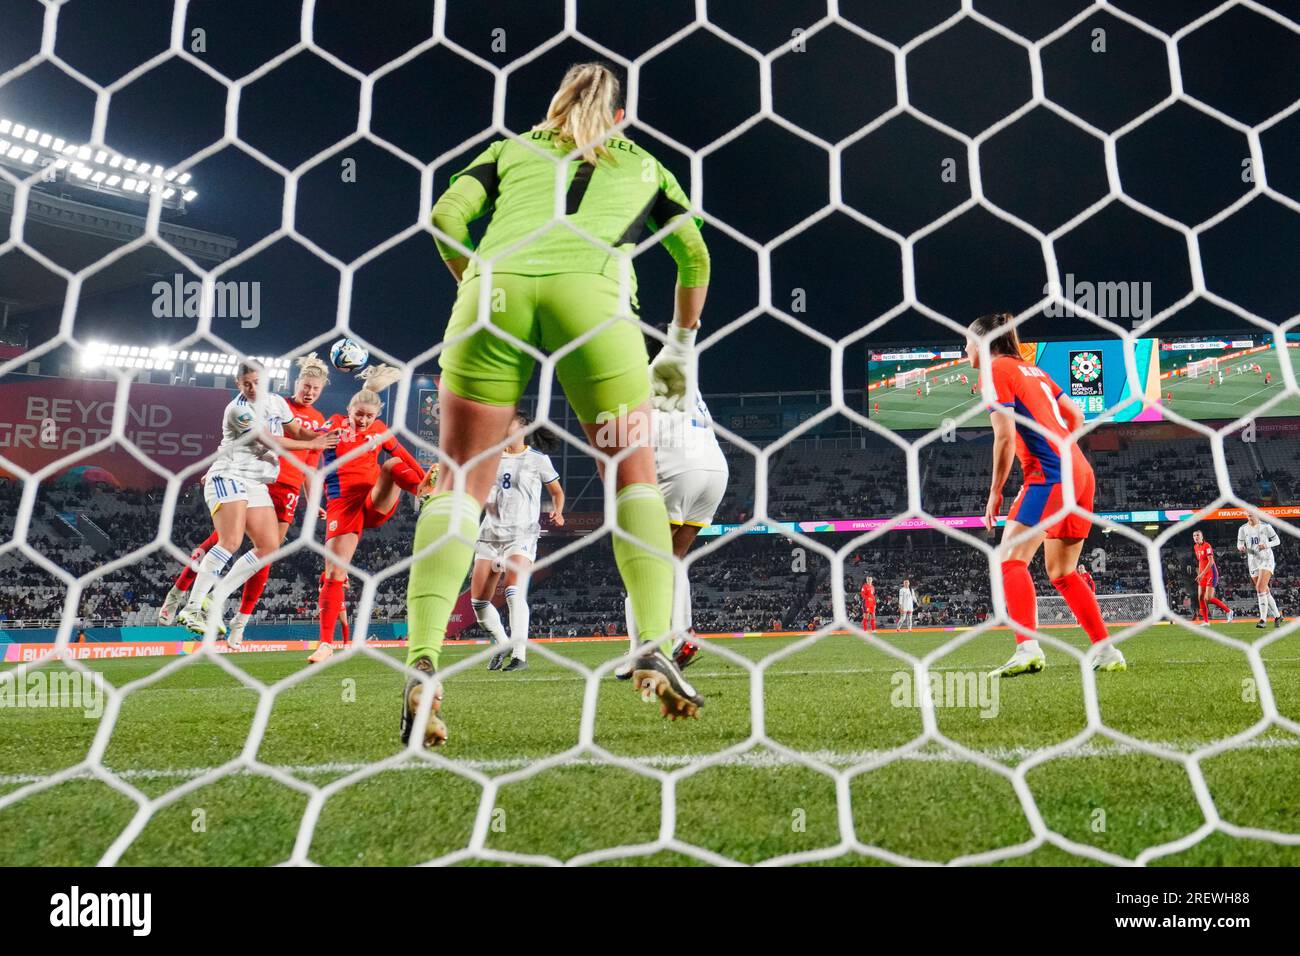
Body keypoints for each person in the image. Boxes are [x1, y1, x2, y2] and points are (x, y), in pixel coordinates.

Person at [402, 62, 711, 747]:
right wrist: (680, 350)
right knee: (631, 473)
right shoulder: (646, 165)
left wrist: (476, 283)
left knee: (458, 478)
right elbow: (695, 257)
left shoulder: (511, 148)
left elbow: (443, 217)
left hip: (494, 293)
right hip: (595, 302)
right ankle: (654, 642)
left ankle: (423, 660)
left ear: (552, 107)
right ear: (621, 118)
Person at [965, 312, 1126, 677]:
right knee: (1063, 572)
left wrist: (995, 493)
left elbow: (1004, 437)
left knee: (1009, 559)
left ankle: (1027, 648)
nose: (965, 350)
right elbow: (1075, 415)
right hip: (1081, 472)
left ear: (982, 343)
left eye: (967, 342)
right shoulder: (1034, 371)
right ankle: (1106, 651)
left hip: (1049, 474)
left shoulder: (995, 372)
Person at [160, 354, 332, 648]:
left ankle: (216, 598)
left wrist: (327, 435)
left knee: (268, 547)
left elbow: (298, 430)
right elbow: (271, 441)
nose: (253, 388)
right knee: (229, 540)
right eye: (247, 383)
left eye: (258, 382)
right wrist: (311, 443)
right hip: (230, 475)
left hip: (257, 483)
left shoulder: (276, 403)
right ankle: (191, 607)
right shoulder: (237, 410)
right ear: (238, 383)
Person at [309, 364, 427, 664]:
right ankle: (326, 644)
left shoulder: (379, 431)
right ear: (349, 410)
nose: (363, 420)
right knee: (334, 573)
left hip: (374, 500)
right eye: (359, 414)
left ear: (377, 417)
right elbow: (311, 449)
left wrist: (423, 477)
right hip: (342, 504)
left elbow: (403, 456)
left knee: (390, 466)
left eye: (369, 416)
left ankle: (429, 494)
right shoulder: (333, 425)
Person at [617, 385, 728, 678]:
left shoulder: (636, 372)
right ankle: (683, 633)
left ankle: (640, 651)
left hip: (679, 466)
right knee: (672, 557)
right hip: (716, 468)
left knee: (641, 565)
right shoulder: (686, 375)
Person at [471, 412, 565, 674]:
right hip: (489, 535)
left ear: (523, 428)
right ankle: (502, 643)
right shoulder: (490, 458)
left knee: (513, 591)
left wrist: (558, 511)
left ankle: (519, 654)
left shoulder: (537, 460)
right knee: (478, 603)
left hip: (521, 534)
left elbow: (557, 492)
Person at [1238, 514, 1283, 628]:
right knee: (1265, 590)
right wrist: (1241, 547)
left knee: (1260, 588)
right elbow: (1239, 543)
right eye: (1248, 516)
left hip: (1266, 559)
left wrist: (1266, 545)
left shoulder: (1266, 526)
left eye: (1252, 515)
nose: (1250, 517)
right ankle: (1278, 616)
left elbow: (1277, 540)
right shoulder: (1243, 529)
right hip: (1252, 560)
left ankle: (1263, 619)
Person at [1192, 529, 1233, 624]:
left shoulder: (1207, 546)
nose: (1196, 537)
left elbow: (1210, 562)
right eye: (1194, 536)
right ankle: (1206, 622)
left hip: (1211, 573)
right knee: (1200, 597)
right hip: (1202, 574)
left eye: (1198, 535)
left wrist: (1202, 574)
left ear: (1202, 537)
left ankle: (1229, 611)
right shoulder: (1195, 547)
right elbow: (1200, 561)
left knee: (1208, 598)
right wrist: (1199, 574)